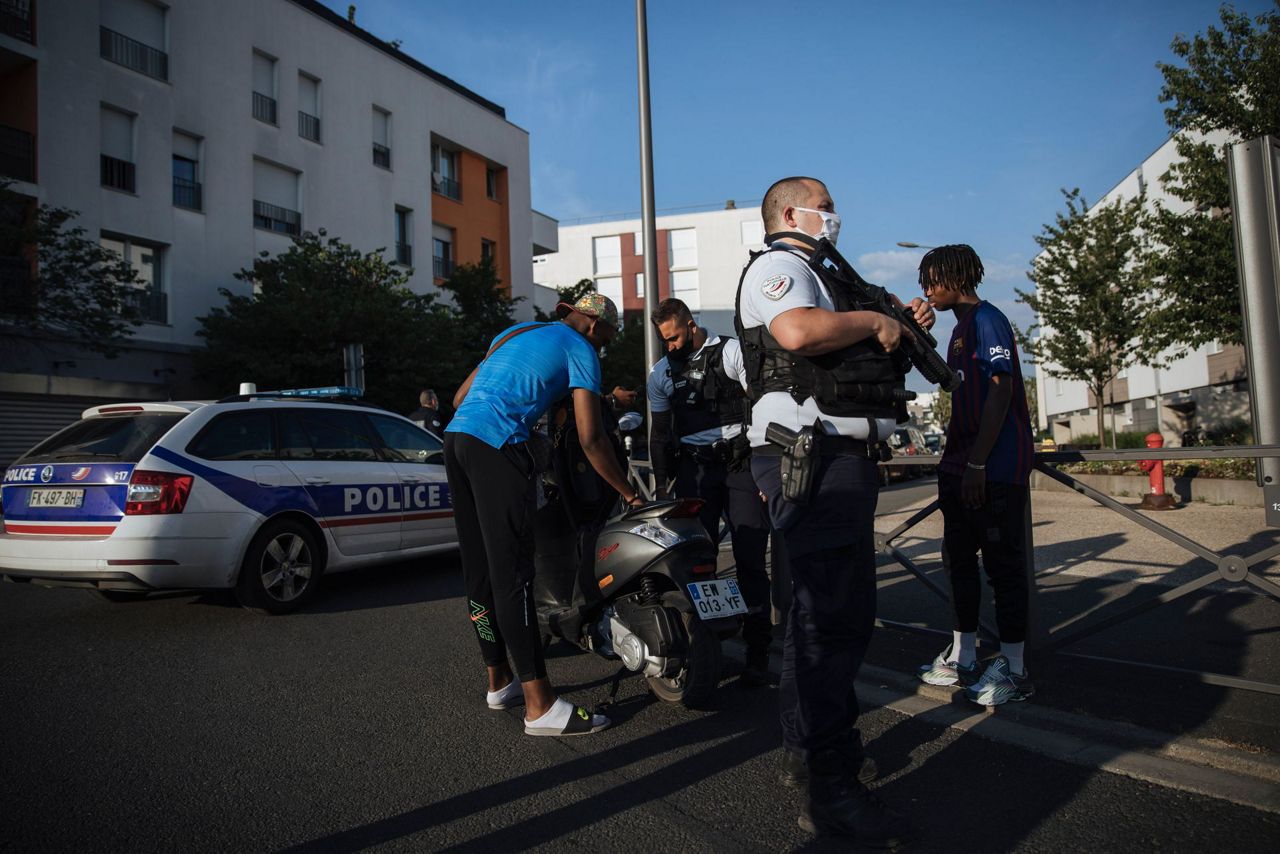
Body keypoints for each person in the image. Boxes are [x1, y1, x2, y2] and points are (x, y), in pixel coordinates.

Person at [736, 176, 933, 845]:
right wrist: (875, 321)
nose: (834, 215)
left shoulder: (818, 271)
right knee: (834, 625)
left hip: (828, 461)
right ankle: (832, 789)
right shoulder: (779, 266)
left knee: (816, 622)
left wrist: (895, 321)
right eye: (825, 206)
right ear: (792, 214)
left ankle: (808, 755)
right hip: (810, 461)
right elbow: (795, 330)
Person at [445, 293, 644, 737]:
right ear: (594, 326)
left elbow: (460, 398)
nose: (604, 347)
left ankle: (499, 682)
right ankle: (540, 705)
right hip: (499, 446)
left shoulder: (514, 332)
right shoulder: (582, 350)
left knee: (479, 573)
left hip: (458, 441)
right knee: (514, 577)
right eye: (607, 338)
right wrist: (629, 492)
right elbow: (592, 440)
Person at [914, 245, 1035, 706]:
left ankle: (1015, 669)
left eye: (933, 280)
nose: (927, 290)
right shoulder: (957, 331)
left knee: (1004, 567)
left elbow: (1001, 389)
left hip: (994, 468)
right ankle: (963, 656)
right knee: (958, 561)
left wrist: (979, 462)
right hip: (959, 465)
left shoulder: (988, 320)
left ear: (958, 277)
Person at [646, 297, 773, 685]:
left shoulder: (730, 351)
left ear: (690, 323)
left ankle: (757, 651)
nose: (671, 346)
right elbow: (659, 433)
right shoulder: (662, 372)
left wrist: (768, 469)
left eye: (675, 337)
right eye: (664, 340)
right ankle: (704, 647)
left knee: (751, 557)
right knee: (697, 562)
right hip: (694, 471)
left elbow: (764, 404)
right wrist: (661, 487)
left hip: (739, 466)